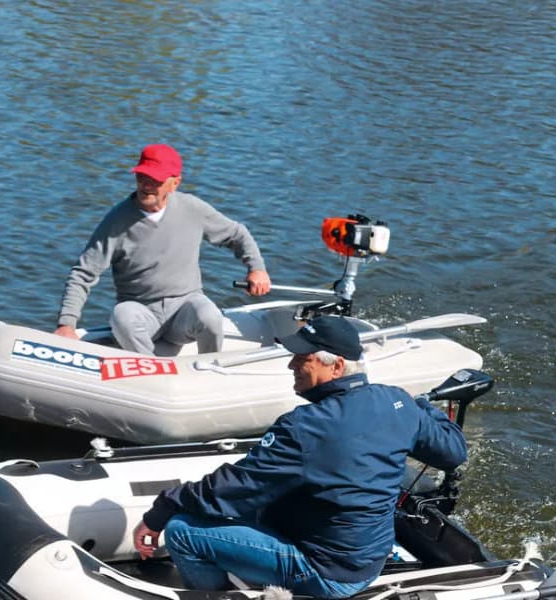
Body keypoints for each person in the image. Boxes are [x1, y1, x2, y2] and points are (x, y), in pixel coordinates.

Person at [132, 315, 468, 597]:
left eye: (303, 358)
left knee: (182, 530)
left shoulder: (305, 426)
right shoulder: (397, 401)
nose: (292, 363)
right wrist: (421, 406)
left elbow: (236, 486)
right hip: (368, 558)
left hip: (327, 572)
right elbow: (453, 452)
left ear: (336, 366)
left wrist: (163, 508)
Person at [54, 143, 271, 355]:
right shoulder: (116, 221)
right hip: (141, 311)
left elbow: (237, 234)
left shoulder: (192, 208)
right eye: (141, 176)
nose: (146, 185)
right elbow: (83, 274)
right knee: (122, 316)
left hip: (185, 306)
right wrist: (67, 324)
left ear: (175, 183)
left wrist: (256, 268)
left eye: (154, 180)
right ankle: (150, 371)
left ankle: (210, 367)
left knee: (210, 316)